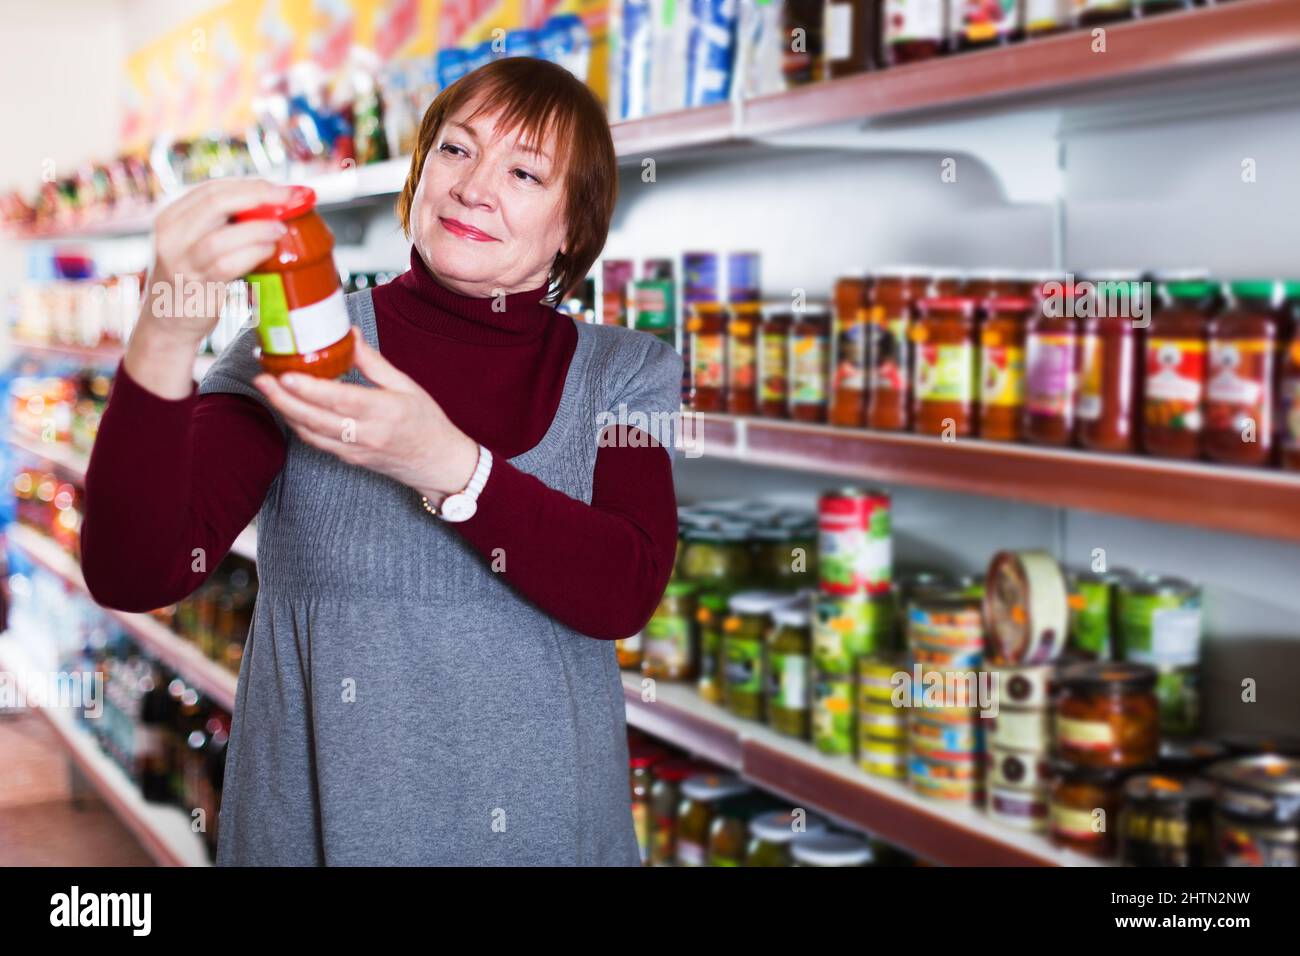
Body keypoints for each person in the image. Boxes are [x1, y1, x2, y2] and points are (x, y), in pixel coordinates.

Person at [81, 57, 682, 866]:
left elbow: (625, 588)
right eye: (456, 150)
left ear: (574, 224)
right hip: (319, 836)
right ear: (421, 167)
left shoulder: (628, 372)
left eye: (525, 172)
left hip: (546, 838)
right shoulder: (296, 345)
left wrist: (449, 465)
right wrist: (165, 329)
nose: (474, 187)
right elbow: (134, 571)